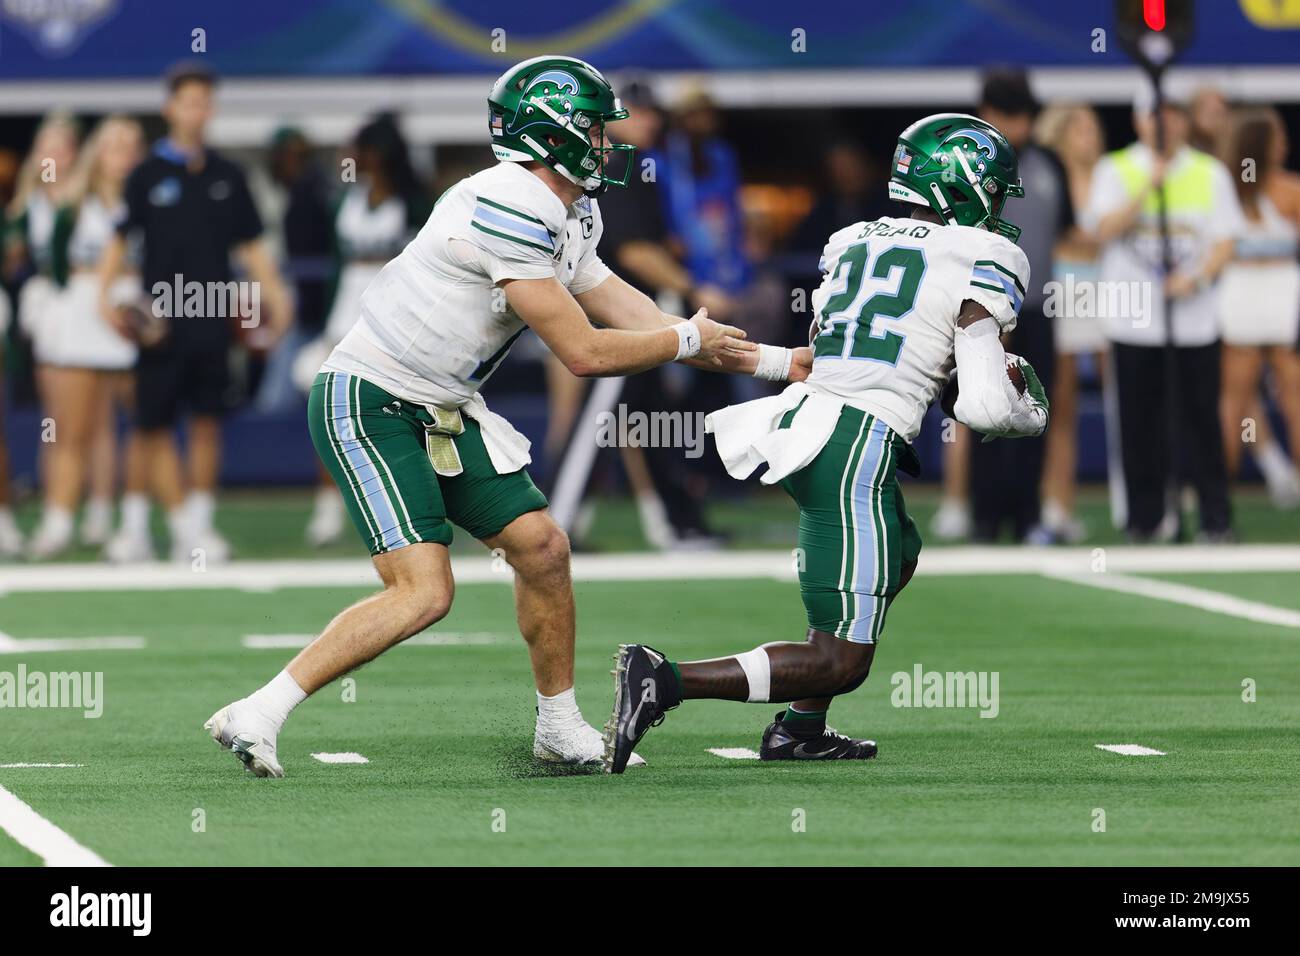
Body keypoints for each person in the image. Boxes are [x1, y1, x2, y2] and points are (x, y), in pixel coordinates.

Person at [205, 55, 812, 777]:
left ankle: (558, 724)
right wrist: (686, 337)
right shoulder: (508, 203)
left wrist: (778, 363)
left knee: (543, 548)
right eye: (591, 126)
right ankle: (260, 710)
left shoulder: (571, 209)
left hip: (444, 405)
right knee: (425, 591)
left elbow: (644, 317)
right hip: (373, 398)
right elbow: (586, 351)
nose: (606, 140)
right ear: (550, 133)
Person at [604, 114, 1049, 773]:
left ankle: (800, 728)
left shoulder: (852, 240)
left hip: (816, 422)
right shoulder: (984, 256)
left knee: (899, 552)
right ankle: (664, 680)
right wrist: (1030, 402)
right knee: (841, 661)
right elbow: (983, 406)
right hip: (853, 444)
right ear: (964, 185)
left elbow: (840, 345)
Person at [98, 63, 291, 563]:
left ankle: (197, 528)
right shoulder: (145, 175)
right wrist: (103, 298)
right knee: (152, 425)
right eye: (189, 101)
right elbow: (120, 241)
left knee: (207, 422)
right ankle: (166, 525)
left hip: (212, 316)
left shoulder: (230, 174)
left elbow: (249, 246)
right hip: (159, 321)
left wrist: (276, 296)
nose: (198, 111)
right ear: (170, 108)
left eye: (205, 101)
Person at [1081, 84, 1241, 542]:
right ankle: (1146, 519)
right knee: (1138, 424)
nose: (1164, 122)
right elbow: (1101, 230)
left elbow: (1226, 239)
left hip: (1194, 323)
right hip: (1133, 324)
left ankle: (1215, 519)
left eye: (1173, 113)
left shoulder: (1210, 173)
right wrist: (1147, 187)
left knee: (1201, 422)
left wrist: (1195, 279)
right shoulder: (1116, 169)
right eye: (1155, 114)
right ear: (1138, 120)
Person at [300, 115, 429, 546]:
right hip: (344, 320)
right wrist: (323, 326)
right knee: (329, 409)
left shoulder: (413, 205)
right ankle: (329, 507)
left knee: (405, 412)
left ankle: (418, 505)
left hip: (396, 323)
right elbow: (338, 266)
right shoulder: (347, 201)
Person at [26, 116, 144, 559]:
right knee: (69, 428)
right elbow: (55, 267)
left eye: (132, 146)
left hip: (130, 316)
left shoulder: (146, 199)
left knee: (127, 429)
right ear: (97, 151)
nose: (124, 155)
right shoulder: (72, 204)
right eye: (115, 145)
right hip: (80, 315)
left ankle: (112, 518)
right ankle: (57, 521)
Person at [968, 68, 1071, 542]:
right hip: (983, 310)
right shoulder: (970, 166)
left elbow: (1065, 230)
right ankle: (985, 515)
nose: (1016, 126)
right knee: (983, 410)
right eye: (1005, 115)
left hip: (1039, 309)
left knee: (1034, 411)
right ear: (986, 115)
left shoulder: (1050, 163)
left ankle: (1029, 514)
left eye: (1022, 115)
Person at [3, 112, 82, 558]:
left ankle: (92, 511)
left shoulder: (84, 199)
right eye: (49, 147)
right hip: (43, 319)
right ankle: (54, 513)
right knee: (58, 422)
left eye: (65, 146)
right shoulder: (23, 205)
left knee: (92, 423)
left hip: (91, 315)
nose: (57, 156)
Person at [1216, 107, 1300, 503]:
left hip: (1241, 300)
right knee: (1293, 398)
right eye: (1278, 137)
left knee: (1234, 400)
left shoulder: (1224, 189)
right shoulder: (1291, 191)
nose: (1284, 143)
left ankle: (1218, 500)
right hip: (1282, 300)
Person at [1034, 103, 1106, 542]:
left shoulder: (1111, 178)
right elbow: (1063, 238)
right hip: (1061, 289)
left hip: (1110, 291)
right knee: (1057, 403)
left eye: (1094, 129)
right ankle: (1052, 505)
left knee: (1121, 398)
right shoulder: (1047, 179)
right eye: (1081, 128)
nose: (1091, 137)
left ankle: (1139, 503)